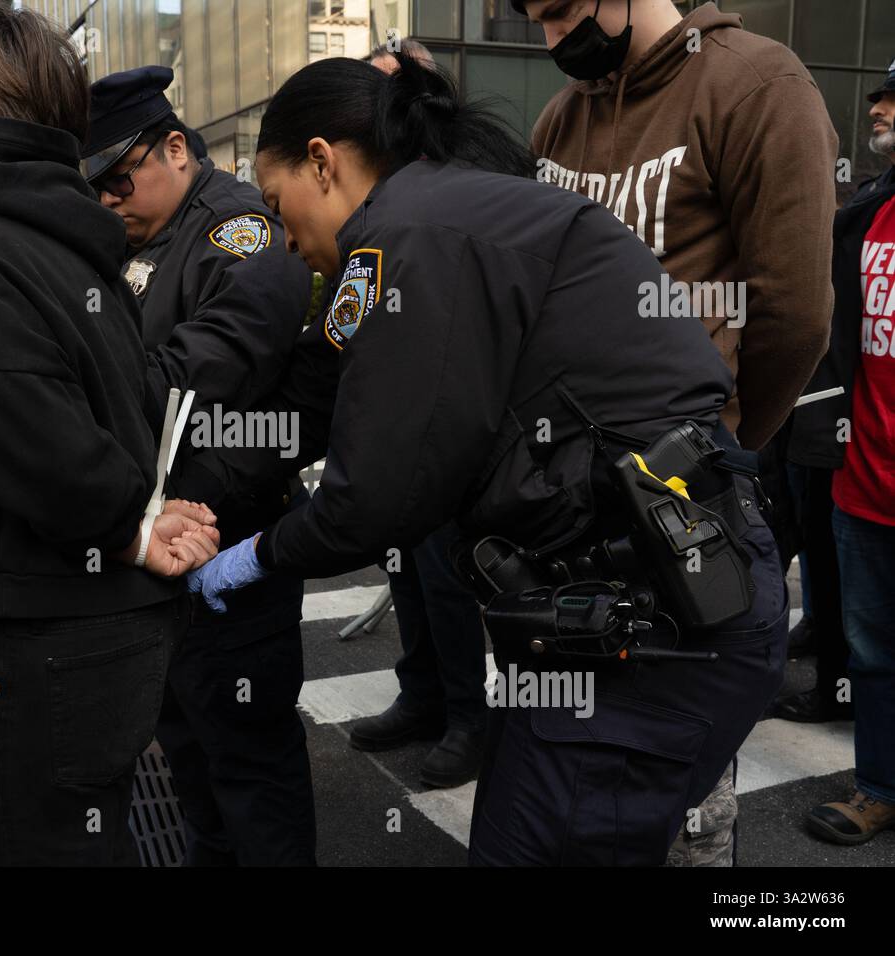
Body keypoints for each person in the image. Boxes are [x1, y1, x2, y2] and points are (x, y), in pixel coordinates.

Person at [185, 50, 787, 866]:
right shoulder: (418, 227)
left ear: (321, 162)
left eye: (274, 200)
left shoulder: (411, 235)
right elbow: (322, 400)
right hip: (623, 607)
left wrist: (257, 554)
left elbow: (376, 495)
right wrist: (200, 481)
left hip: (657, 616)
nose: (284, 239)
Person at [0, 5, 219, 866]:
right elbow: (113, 409)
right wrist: (139, 524)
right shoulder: (67, 236)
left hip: (30, 649)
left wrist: (130, 526)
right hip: (93, 634)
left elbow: (36, 440)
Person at [516, 0, 836, 867]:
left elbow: (796, 315)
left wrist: (721, 445)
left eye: (562, 9)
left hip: (681, 503)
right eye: (536, 19)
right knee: (570, 781)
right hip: (560, 510)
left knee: (678, 807)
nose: (552, 40)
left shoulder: (756, 83)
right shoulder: (562, 114)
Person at [81, 66, 322, 865]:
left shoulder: (239, 232)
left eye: (119, 176)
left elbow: (216, 376)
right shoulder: (133, 239)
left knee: (249, 756)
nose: (109, 198)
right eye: (96, 186)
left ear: (175, 147)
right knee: (186, 745)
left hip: (228, 535)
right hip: (160, 541)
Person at [346, 42, 493, 787]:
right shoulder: (375, 187)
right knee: (406, 567)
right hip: (395, 416)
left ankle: (469, 716)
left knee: (444, 575)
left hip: (454, 417)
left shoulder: (452, 181)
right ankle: (423, 695)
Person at [792, 65, 895, 845]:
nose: (878, 109)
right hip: (863, 487)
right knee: (872, 655)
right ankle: (878, 787)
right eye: (879, 95)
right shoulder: (866, 216)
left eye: (894, 99)